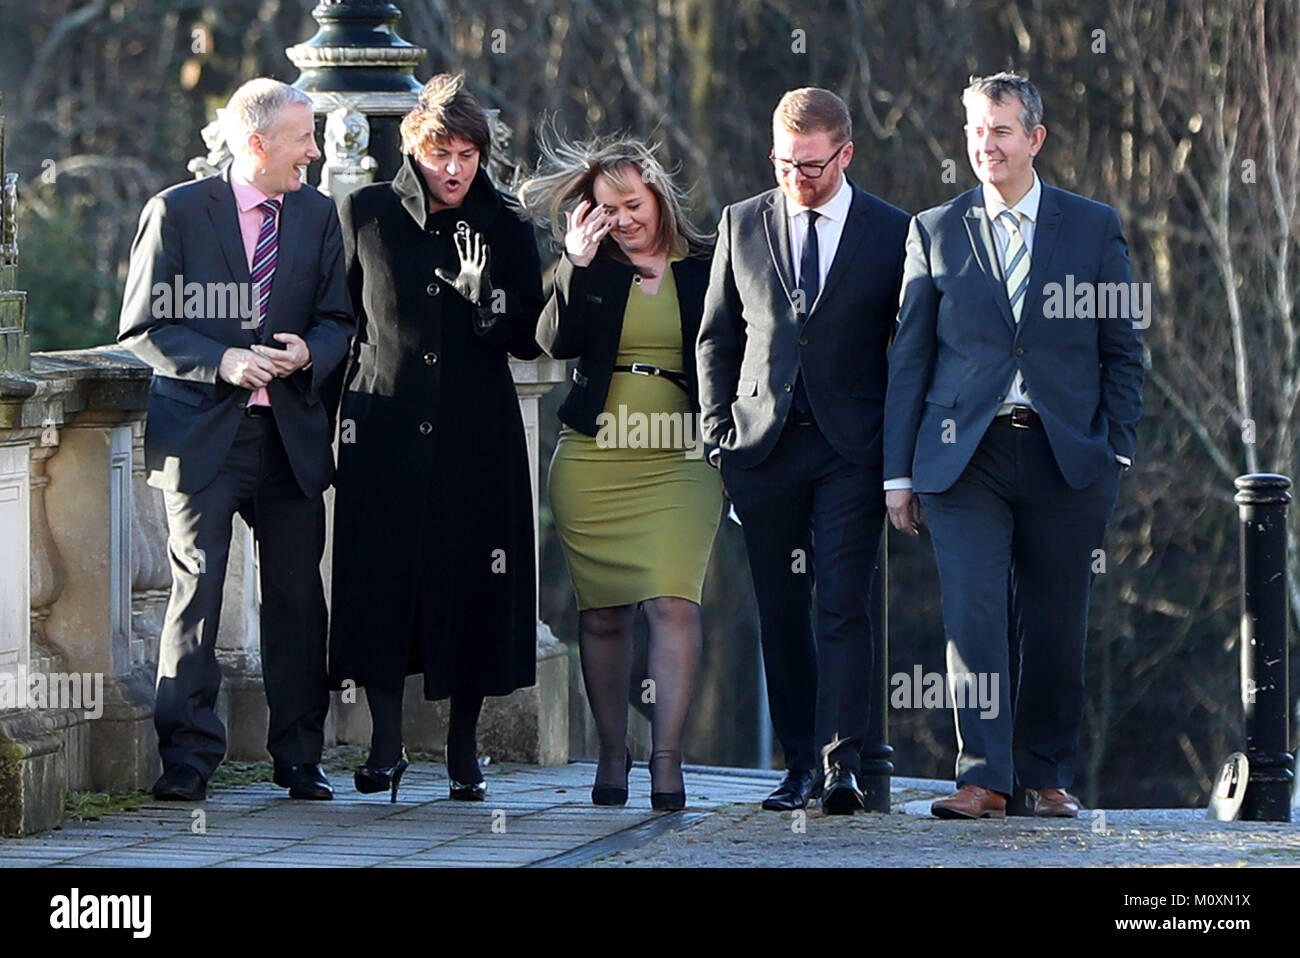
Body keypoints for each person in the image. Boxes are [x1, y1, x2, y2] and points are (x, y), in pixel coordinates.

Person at [882, 72, 1143, 819]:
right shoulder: (934, 229)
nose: (984, 144)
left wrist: (1114, 453)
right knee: (973, 617)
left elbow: (1122, 350)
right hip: (964, 459)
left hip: (1067, 459)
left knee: (1058, 625)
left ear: (1035, 138)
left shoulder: (1092, 227)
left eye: (999, 130)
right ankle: (984, 779)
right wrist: (897, 474)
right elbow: (909, 361)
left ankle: (1045, 776)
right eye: (973, 129)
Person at [118, 78, 355, 802]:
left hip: (290, 436)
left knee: (296, 599)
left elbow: (339, 319)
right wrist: (222, 361)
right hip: (203, 435)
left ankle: (299, 756)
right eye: (303, 139)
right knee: (196, 595)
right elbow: (144, 330)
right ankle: (187, 760)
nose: (314, 153)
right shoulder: (178, 211)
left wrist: (308, 353)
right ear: (258, 143)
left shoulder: (316, 215)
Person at [326, 74, 543, 803]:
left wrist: (487, 303)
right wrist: (320, 427)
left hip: (475, 438)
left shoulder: (507, 225)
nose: (454, 168)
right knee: (383, 583)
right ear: (414, 148)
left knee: (473, 588)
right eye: (442, 153)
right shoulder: (365, 212)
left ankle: (462, 750)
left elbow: (527, 338)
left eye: (468, 154)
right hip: (381, 430)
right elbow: (342, 323)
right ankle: (386, 746)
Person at [696, 88, 909, 814]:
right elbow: (717, 337)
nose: (798, 179)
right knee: (780, 610)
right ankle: (796, 766)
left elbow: (907, 350)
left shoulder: (890, 231)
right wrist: (718, 438)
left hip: (853, 449)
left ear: (845, 154)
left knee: (843, 605)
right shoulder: (740, 221)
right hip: (763, 449)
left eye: (813, 166)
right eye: (786, 164)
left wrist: (899, 452)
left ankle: (842, 763)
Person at [521, 135, 722, 811]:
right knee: (603, 616)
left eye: (631, 204)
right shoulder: (593, 266)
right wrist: (572, 265)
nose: (624, 219)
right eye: (608, 209)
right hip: (594, 458)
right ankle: (613, 751)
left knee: (671, 601)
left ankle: (668, 760)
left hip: (681, 457)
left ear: (658, 194)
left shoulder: (707, 263)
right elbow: (552, 343)